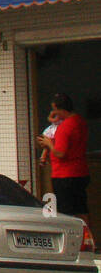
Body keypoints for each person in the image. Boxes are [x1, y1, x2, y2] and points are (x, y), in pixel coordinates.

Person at [35, 93, 91, 229]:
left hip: (64, 175)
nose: (54, 113)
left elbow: (60, 152)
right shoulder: (80, 121)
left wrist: (49, 143)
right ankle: (88, 237)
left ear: (61, 109)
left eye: (55, 109)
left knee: (67, 212)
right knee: (81, 208)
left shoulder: (65, 127)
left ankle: (72, 239)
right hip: (81, 171)